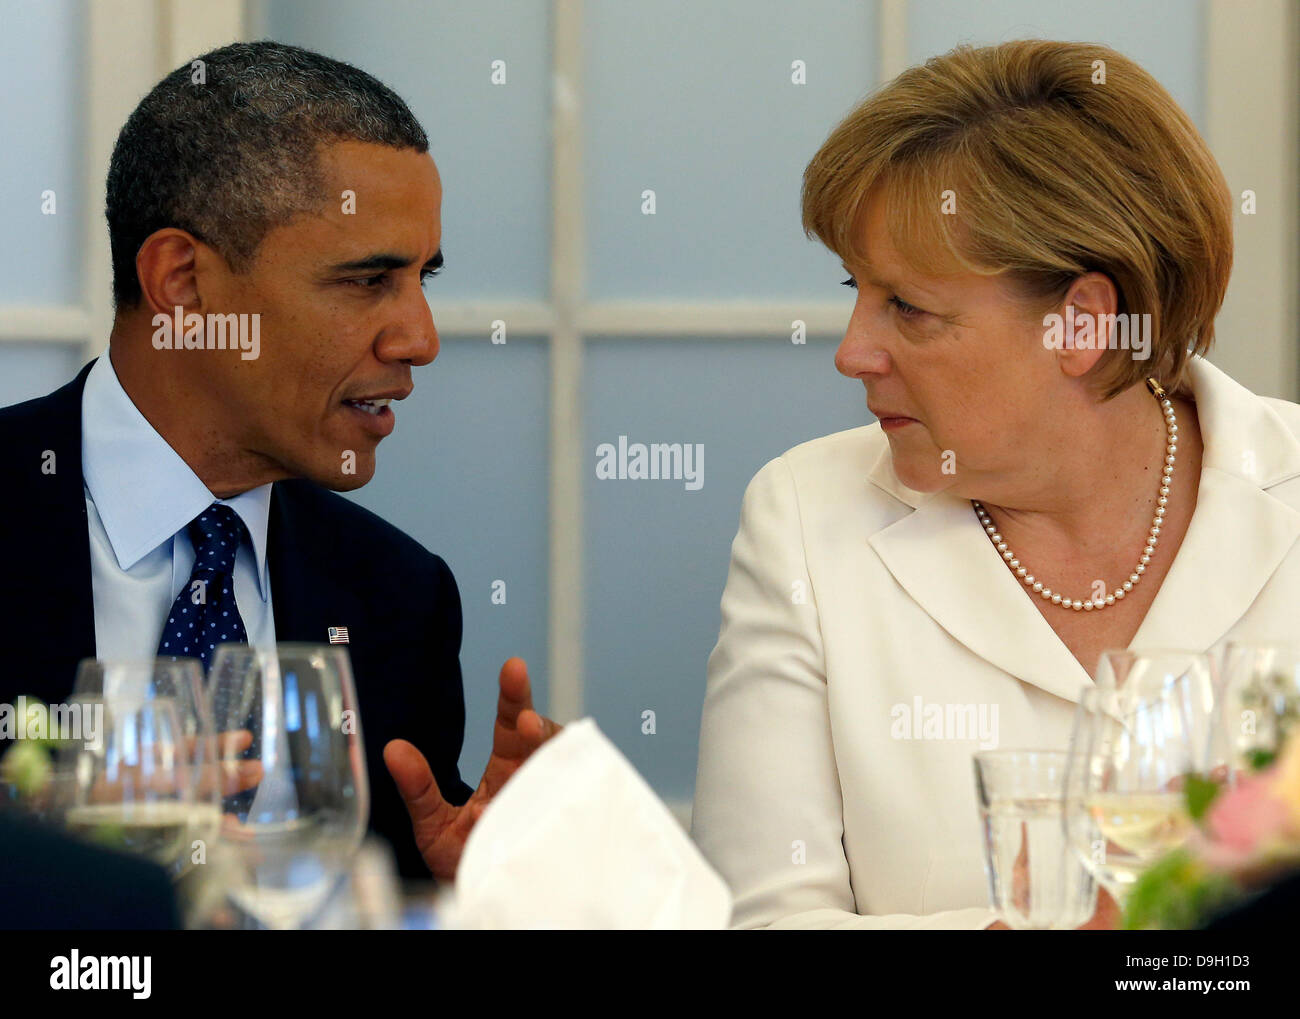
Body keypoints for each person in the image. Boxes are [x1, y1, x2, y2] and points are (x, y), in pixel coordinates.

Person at [691, 39, 1300, 929]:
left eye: (908, 307)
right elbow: (763, 920)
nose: (852, 351)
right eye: (855, 290)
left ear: (1082, 323)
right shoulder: (805, 518)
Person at [0, 41, 557, 884]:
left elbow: (372, 890)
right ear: (182, 282)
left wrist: (457, 895)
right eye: (369, 280)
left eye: (422, 279)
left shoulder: (401, 599)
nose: (421, 338)